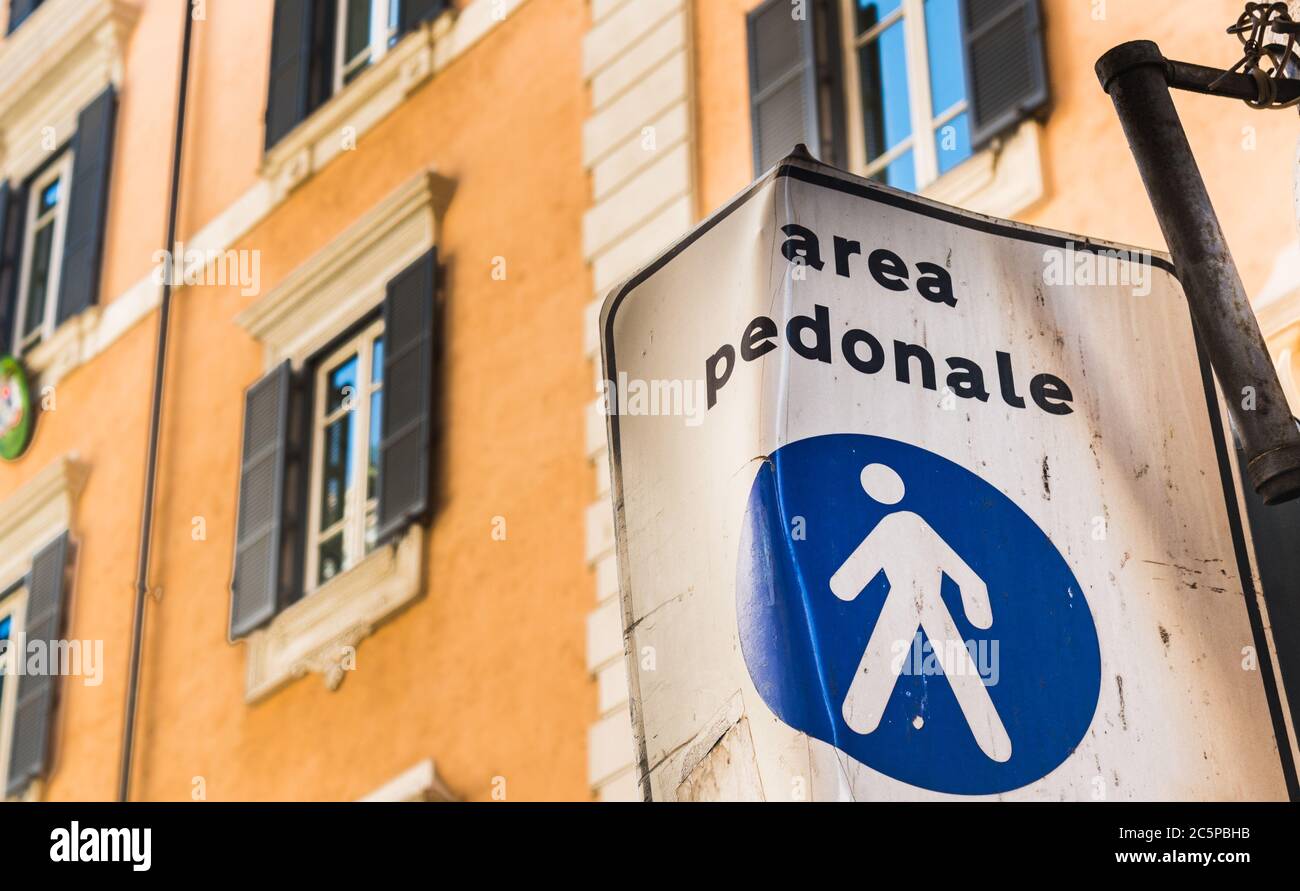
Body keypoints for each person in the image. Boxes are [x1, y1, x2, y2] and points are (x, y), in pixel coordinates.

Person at [830, 463, 1011, 762]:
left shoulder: (899, 524)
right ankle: (993, 741)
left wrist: (845, 586)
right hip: (918, 602)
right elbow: (963, 572)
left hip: (918, 602)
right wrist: (976, 605)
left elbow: (850, 578)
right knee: (956, 666)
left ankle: (861, 717)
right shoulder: (907, 525)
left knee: (893, 657)